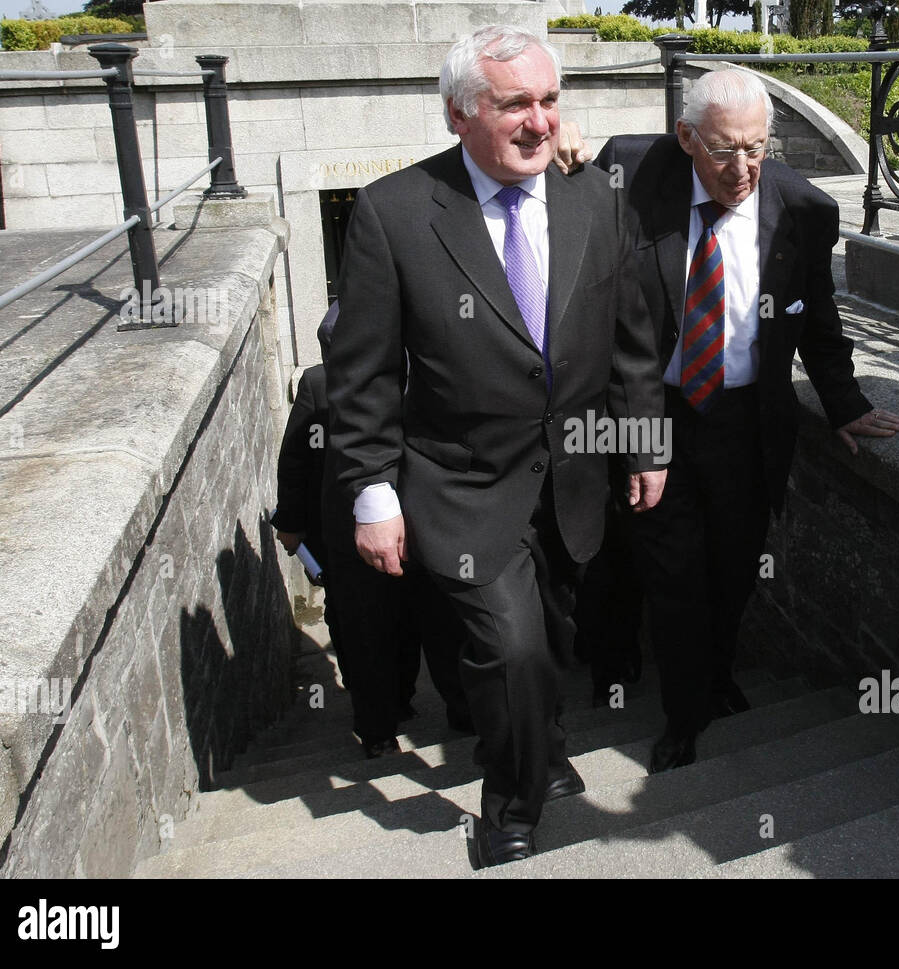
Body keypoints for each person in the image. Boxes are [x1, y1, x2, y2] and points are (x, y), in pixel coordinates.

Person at [325, 25, 666, 869]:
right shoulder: (394, 213)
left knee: (550, 638)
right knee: (510, 646)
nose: (539, 122)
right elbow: (363, 372)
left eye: (549, 101)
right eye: (515, 104)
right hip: (462, 486)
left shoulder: (596, 200)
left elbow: (631, 340)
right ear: (458, 114)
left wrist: (645, 442)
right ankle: (510, 809)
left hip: (576, 477)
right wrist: (372, 492)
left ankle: (544, 745)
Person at [593, 69, 899, 775]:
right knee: (675, 575)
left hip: (745, 424)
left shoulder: (803, 209)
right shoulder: (632, 171)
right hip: (657, 415)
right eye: (725, 149)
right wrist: (564, 145)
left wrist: (845, 404)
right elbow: (560, 184)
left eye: (757, 148)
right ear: (686, 138)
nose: (743, 168)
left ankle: (717, 674)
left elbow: (817, 316)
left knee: (735, 569)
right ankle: (683, 717)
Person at [275, 303, 471, 758]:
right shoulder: (319, 385)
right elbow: (297, 459)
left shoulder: (424, 371)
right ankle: (381, 726)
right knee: (370, 632)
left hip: (422, 526)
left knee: (434, 625)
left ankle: (454, 712)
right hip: (355, 534)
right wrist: (292, 521)